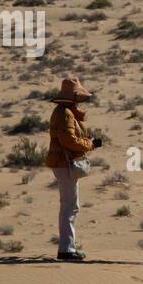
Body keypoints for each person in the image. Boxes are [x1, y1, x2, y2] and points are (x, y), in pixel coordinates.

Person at [45, 76, 101, 261]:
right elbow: (69, 140)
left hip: (62, 162)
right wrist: (90, 144)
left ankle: (68, 247)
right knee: (70, 206)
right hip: (65, 162)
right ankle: (66, 250)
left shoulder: (64, 111)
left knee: (69, 206)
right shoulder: (65, 113)